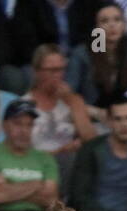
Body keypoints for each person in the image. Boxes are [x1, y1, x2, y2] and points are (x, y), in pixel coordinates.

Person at [24, 45, 98, 186]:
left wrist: (73, 102)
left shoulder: (73, 101)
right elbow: (21, 154)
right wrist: (60, 151)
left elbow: (92, 143)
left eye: (61, 69)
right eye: (51, 70)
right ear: (37, 72)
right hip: (36, 169)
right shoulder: (25, 105)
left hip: (71, 169)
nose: (57, 75)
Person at [66, 3, 127, 111]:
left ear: (124, 24)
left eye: (117, 20)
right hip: (91, 117)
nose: (112, 25)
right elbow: (69, 96)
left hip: (124, 118)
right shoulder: (81, 54)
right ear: (96, 27)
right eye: (104, 21)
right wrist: (97, 113)